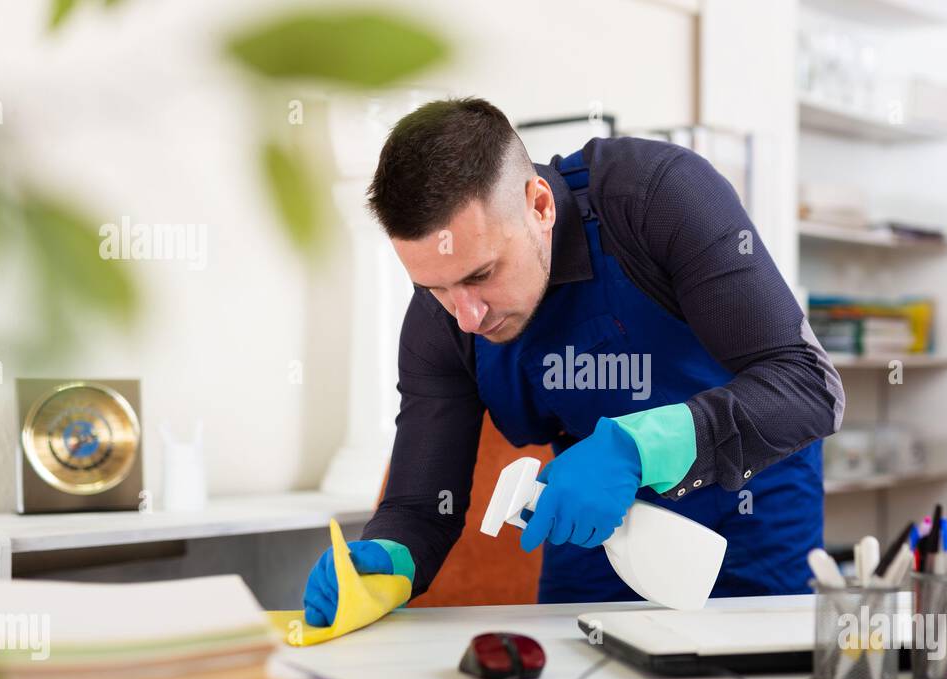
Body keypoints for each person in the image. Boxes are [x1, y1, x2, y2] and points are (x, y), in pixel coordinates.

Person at [301, 97, 844, 626]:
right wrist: (386, 559)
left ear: (540, 205)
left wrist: (633, 447)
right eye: (434, 287)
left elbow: (809, 388)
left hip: (750, 514)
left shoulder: (660, 195)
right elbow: (422, 507)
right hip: (594, 527)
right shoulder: (442, 320)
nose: (465, 315)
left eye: (481, 274)